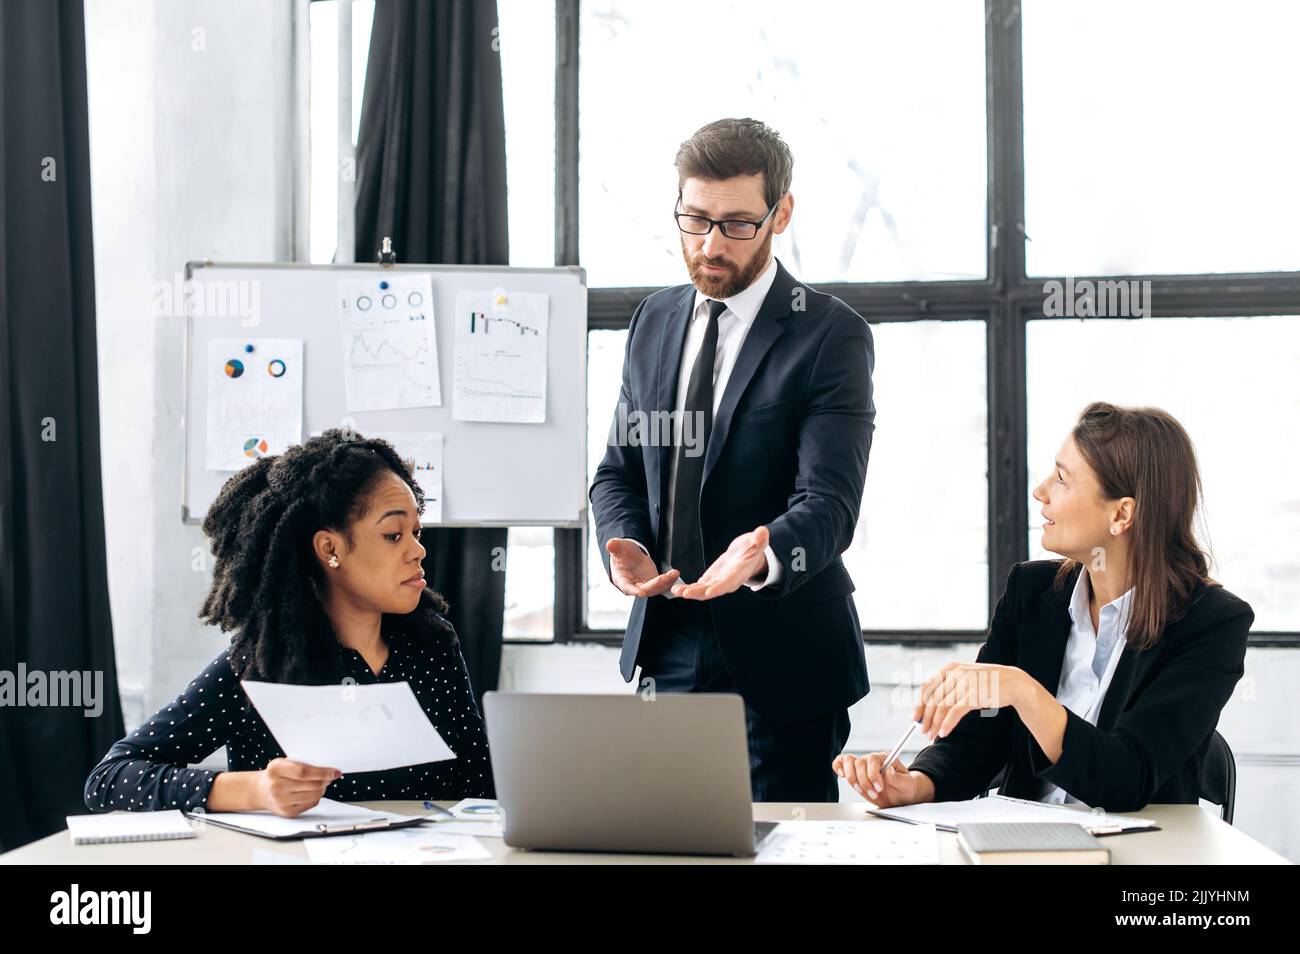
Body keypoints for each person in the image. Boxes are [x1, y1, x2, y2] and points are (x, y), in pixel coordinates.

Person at [590, 117, 876, 801]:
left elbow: (830, 507)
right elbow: (618, 471)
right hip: (666, 645)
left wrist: (764, 549)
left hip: (782, 659)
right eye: (695, 220)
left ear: (782, 213)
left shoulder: (829, 335)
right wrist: (622, 541)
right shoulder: (653, 320)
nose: (711, 245)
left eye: (738, 224)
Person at [834, 402, 1252, 812]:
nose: (1040, 491)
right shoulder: (1030, 591)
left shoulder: (1211, 623)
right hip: (1021, 847)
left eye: (1063, 479)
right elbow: (979, 741)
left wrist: (1023, 691)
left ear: (1122, 513)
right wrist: (916, 784)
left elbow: (1128, 778)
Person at [85, 429, 493, 816]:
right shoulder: (262, 663)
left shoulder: (433, 645)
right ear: (330, 548)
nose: (418, 550)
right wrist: (253, 790)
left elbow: (481, 783)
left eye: (416, 531)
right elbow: (109, 778)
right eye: (393, 534)